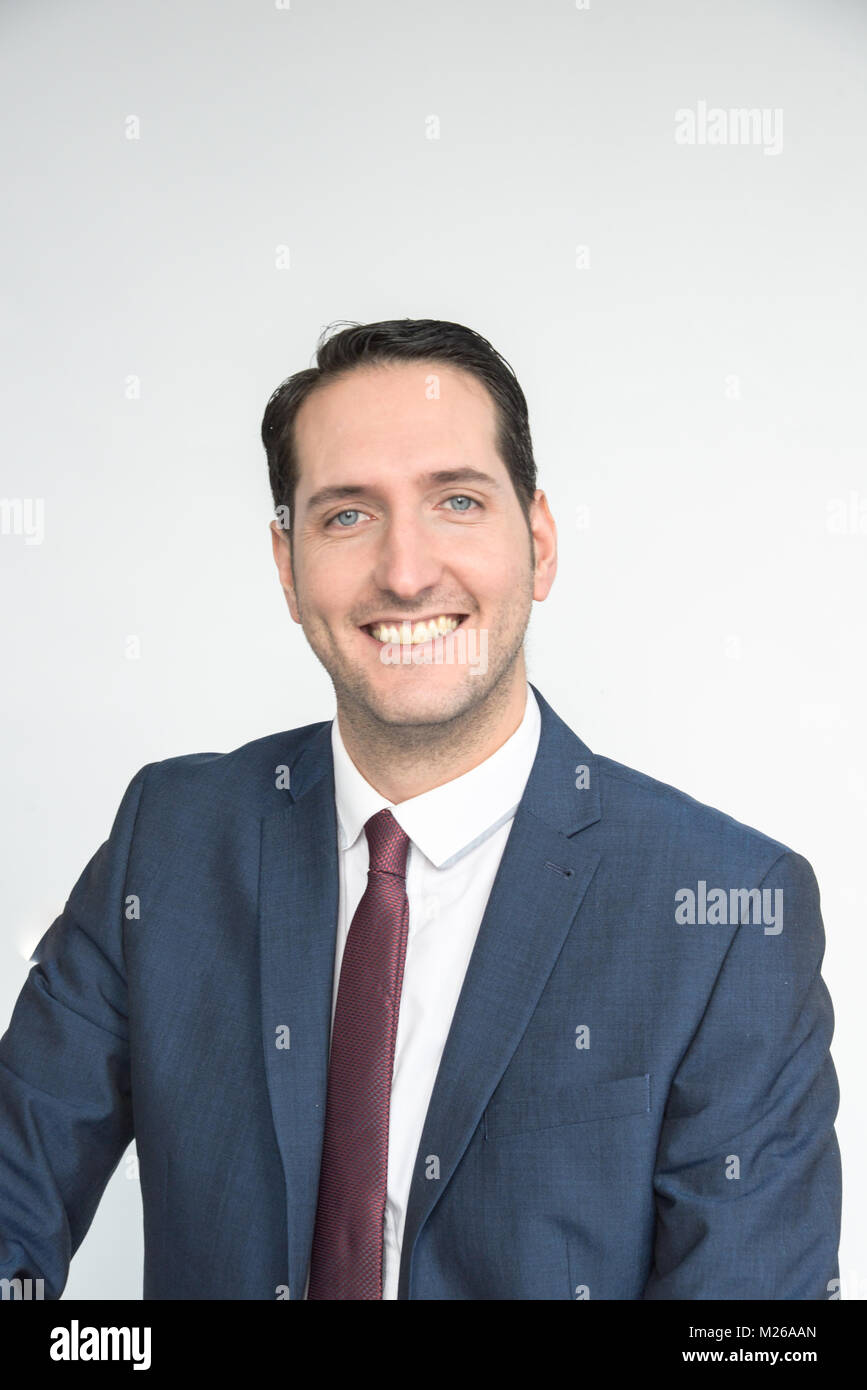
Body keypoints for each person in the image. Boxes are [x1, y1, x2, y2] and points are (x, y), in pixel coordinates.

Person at [0, 319, 841, 1300]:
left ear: (539, 539)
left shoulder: (727, 908)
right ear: (286, 564)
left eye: (456, 500)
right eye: (347, 515)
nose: (405, 571)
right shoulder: (170, 843)